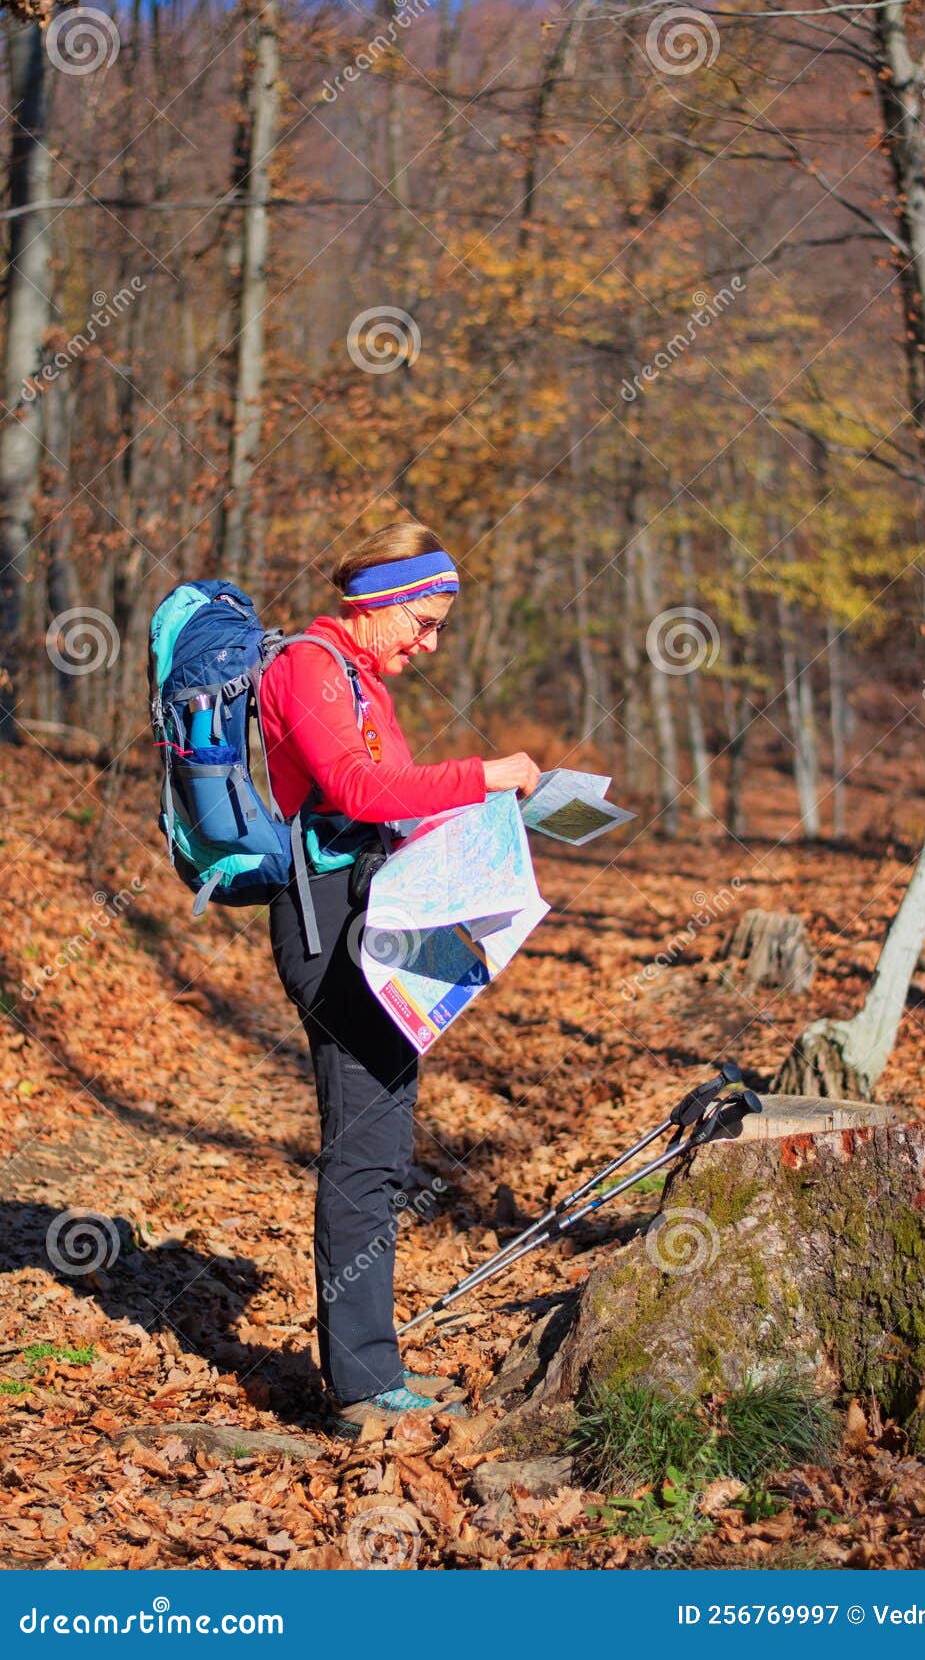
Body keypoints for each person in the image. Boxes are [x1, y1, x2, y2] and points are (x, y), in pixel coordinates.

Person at [260, 520, 540, 1431]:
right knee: (365, 1154)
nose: (428, 644)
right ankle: (362, 1389)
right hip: (331, 927)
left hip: (376, 917)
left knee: (378, 1148)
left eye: (439, 628)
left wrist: (487, 825)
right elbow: (354, 792)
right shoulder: (309, 667)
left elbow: (401, 805)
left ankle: (367, 1371)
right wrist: (482, 773)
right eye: (421, 621)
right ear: (375, 604)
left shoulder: (360, 681)